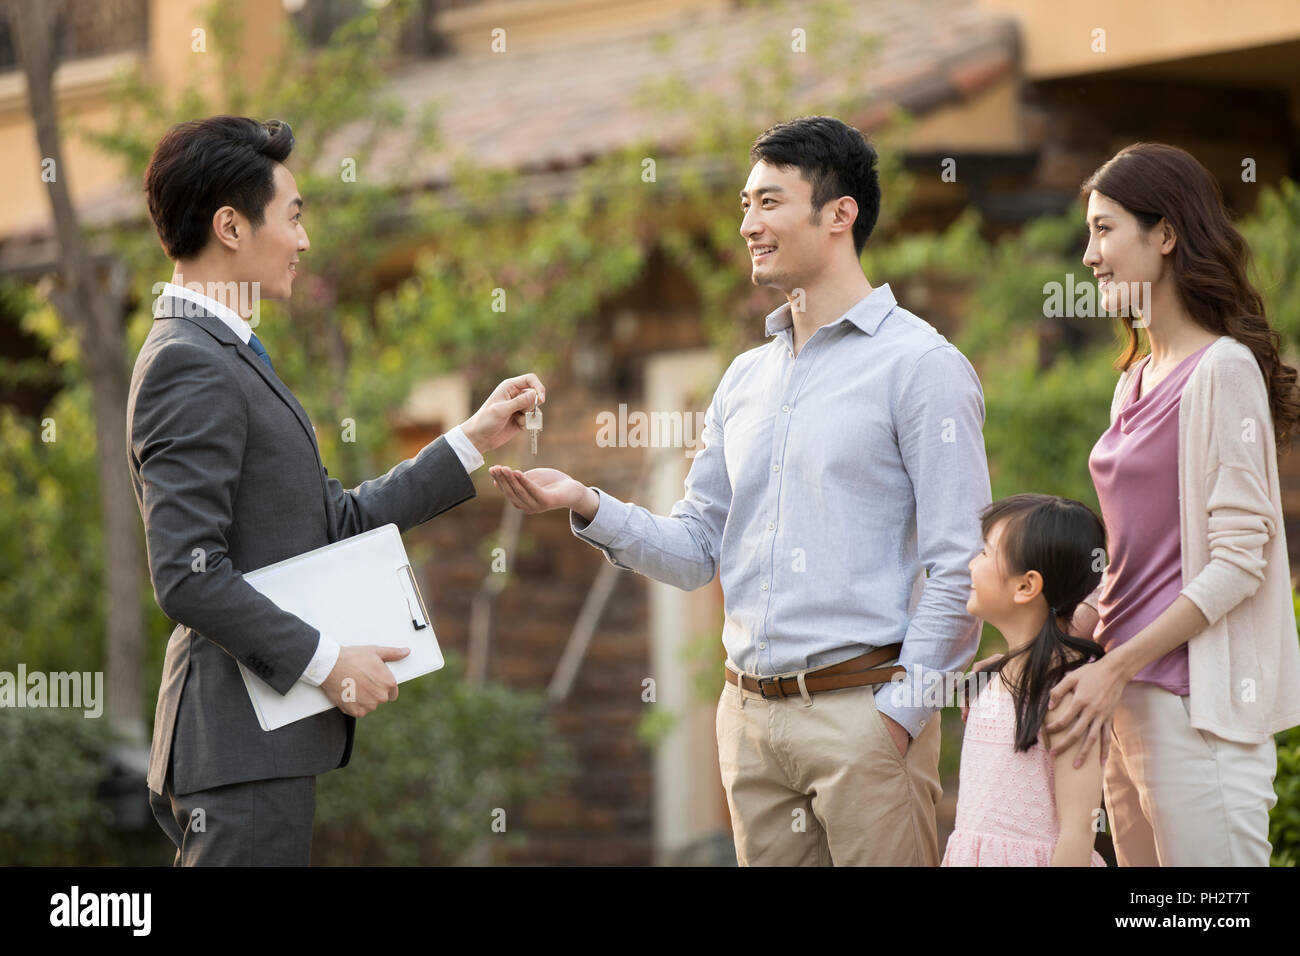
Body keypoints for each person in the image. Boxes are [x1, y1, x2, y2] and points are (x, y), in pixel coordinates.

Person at [491, 115, 991, 865]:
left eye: (768, 203)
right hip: (749, 723)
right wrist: (586, 503)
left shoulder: (922, 366)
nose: (747, 225)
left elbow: (961, 564)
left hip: (864, 718)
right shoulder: (744, 379)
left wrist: (901, 715)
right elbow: (697, 550)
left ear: (839, 215)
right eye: (744, 206)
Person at [130, 115, 545, 865]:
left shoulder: (226, 353)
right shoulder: (189, 363)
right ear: (230, 226)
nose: (303, 239)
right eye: (293, 216)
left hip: (260, 749)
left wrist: (473, 438)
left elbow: (335, 519)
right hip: (236, 746)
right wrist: (325, 661)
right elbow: (187, 574)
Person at [1046, 142, 1300, 865]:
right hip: (1124, 701)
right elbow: (1137, 559)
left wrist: (1117, 665)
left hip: (1194, 709)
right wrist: (1068, 633)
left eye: (1104, 230)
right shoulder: (1132, 378)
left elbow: (1239, 561)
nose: (1089, 254)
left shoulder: (1222, 371)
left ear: (1164, 235)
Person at [942, 494, 1108, 867]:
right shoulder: (990, 677)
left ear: (1025, 586)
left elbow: (1078, 831)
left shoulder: (1066, 694)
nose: (971, 563)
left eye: (985, 553)